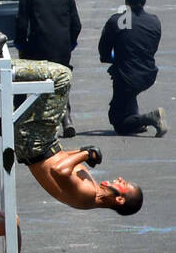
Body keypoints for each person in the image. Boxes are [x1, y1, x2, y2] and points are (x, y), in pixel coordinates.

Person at [11, 59, 144, 213]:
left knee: (63, 77)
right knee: (54, 85)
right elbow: (60, 157)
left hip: (35, 143)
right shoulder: (92, 188)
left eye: (124, 184)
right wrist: (82, 150)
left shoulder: (89, 194)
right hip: (40, 143)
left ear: (120, 199)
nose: (120, 179)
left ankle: (8, 70)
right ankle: (6, 67)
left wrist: (85, 155)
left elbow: (58, 170)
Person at [16, 0, 82, 135]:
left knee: (30, 81)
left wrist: (21, 46)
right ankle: (66, 118)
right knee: (60, 82)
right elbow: (76, 25)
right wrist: (69, 44)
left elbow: (22, 25)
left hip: (38, 49)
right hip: (61, 51)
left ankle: (29, 122)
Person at [98, 0, 166, 136]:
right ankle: (137, 120)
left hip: (126, 76)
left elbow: (104, 50)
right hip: (148, 74)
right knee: (128, 95)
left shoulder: (117, 20)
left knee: (119, 123)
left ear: (126, 1)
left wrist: (112, 59)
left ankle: (150, 118)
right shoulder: (154, 21)